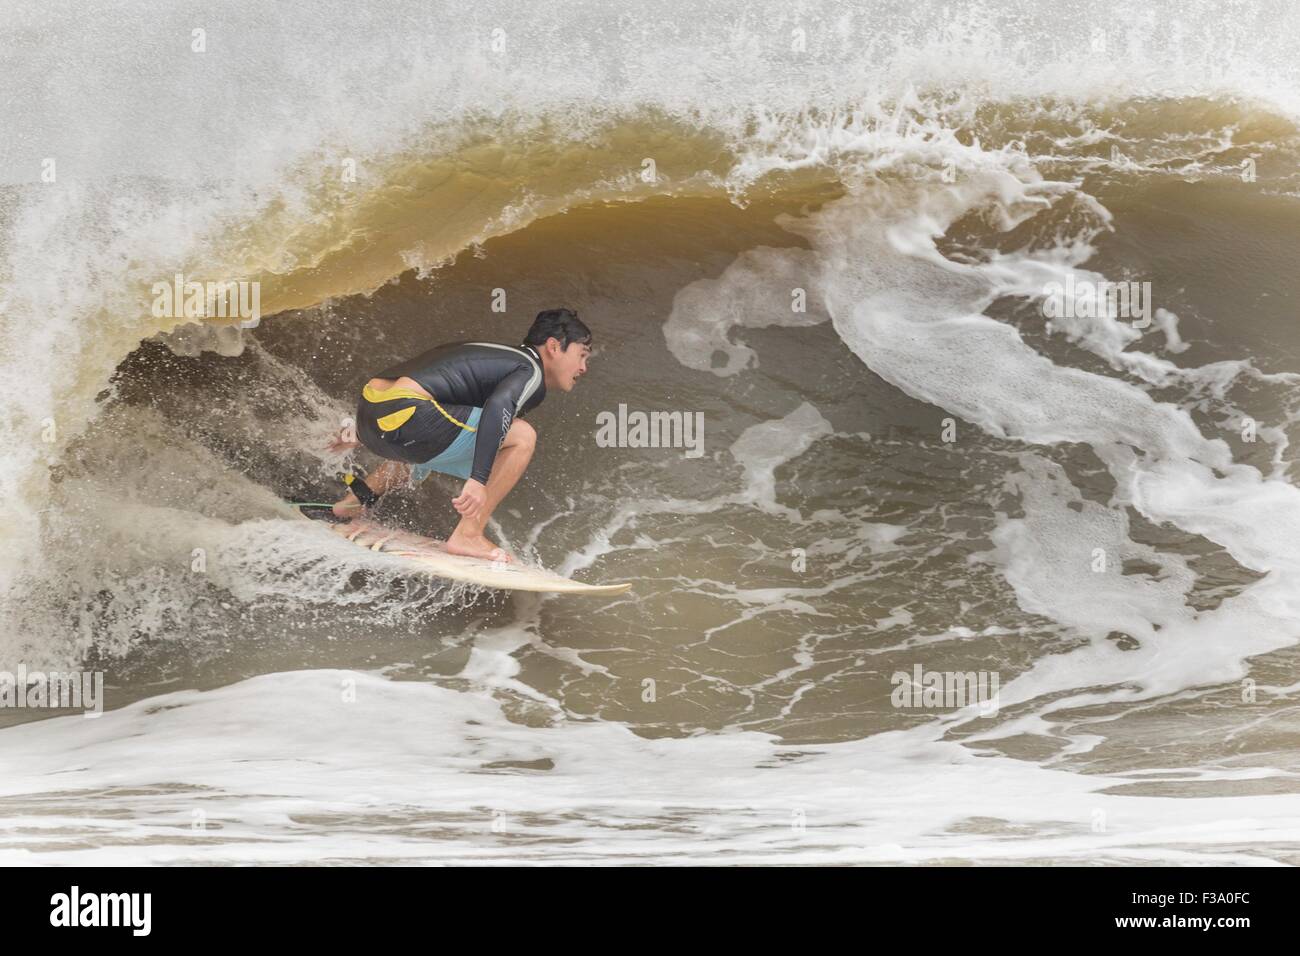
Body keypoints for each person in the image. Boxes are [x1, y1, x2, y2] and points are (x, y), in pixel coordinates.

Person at [330, 309, 592, 562]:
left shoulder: (491, 355)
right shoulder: (530, 370)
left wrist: (362, 431)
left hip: (372, 411)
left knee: (443, 439)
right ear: (554, 347)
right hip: (407, 416)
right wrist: (478, 480)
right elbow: (498, 408)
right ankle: (468, 534)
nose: (584, 368)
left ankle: (356, 500)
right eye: (581, 355)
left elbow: (428, 377)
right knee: (522, 437)